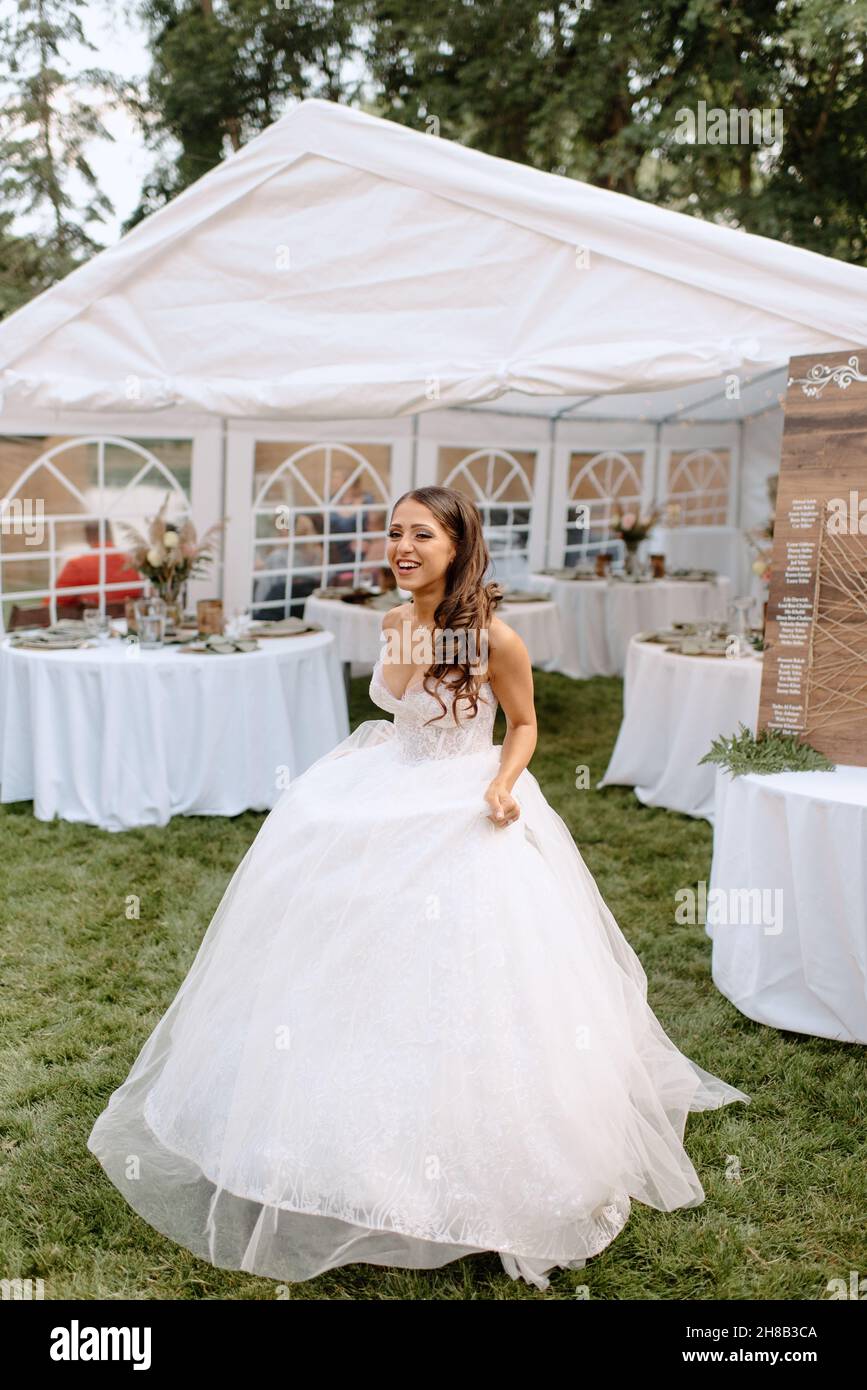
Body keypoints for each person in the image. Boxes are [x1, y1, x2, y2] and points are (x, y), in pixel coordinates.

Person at [86, 485, 749, 1292]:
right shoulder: (392, 620)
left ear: (458, 544)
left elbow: (525, 724)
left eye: (421, 535)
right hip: (383, 783)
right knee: (340, 953)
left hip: (462, 795)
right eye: (394, 532)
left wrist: (503, 782)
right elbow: (399, 711)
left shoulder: (495, 638)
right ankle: (325, 1131)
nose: (401, 546)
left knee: (474, 967)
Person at [47, 519, 143, 610]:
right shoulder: (134, 563)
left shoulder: (77, 566)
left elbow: (51, 604)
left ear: (88, 537)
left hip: (95, 622)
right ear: (111, 534)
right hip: (131, 621)